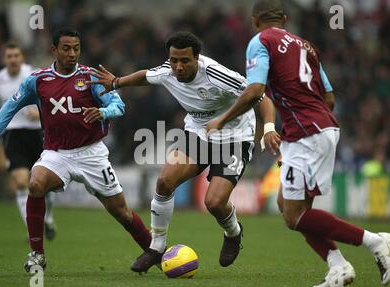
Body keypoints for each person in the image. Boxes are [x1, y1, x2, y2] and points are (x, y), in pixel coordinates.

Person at [206, 0, 390, 287]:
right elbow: (329, 97)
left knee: (294, 215)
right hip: (322, 127)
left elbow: (255, 90)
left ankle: (375, 241)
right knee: (289, 207)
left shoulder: (261, 41)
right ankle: (339, 266)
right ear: (284, 19)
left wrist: (221, 120)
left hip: (307, 134)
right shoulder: (307, 46)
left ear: (255, 20)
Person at [89, 31, 276, 274]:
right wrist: (116, 82)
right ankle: (156, 247)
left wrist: (269, 127)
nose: (177, 66)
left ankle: (233, 232)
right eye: (174, 60)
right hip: (199, 133)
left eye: (184, 61)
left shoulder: (216, 74)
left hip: (235, 137)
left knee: (214, 202)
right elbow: (146, 76)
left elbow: (259, 96)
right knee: (165, 180)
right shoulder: (168, 70)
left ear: (196, 58)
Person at [0, 27, 151, 272]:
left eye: (76, 49)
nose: (72, 54)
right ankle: (37, 254)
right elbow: (9, 107)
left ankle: (154, 250)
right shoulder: (38, 81)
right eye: (67, 48)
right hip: (57, 153)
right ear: (54, 50)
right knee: (35, 183)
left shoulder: (91, 77)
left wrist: (103, 111)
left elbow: (118, 104)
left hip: (91, 153)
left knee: (121, 212)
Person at [0, 42, 57, 240]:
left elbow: (52, 99)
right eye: (9, 56)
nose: (13, 59)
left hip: (38, 132)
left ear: (22, 58)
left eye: (16, 55)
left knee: (43, 182)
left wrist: (39, 110)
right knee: (21, 181)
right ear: (4, 59)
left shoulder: (34, 75)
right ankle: (33, 229)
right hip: (13, 135)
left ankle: (48, 218)